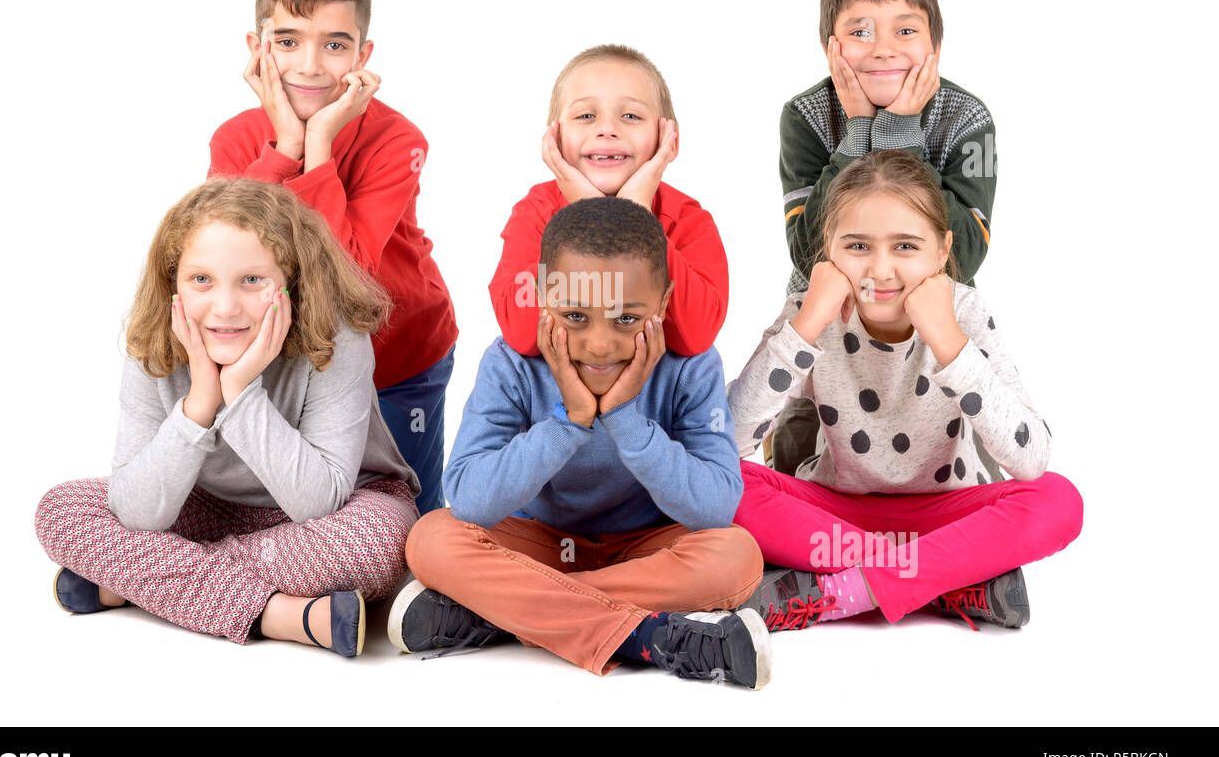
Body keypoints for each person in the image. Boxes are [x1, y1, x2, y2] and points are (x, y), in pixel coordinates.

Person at [392, 197, 771, 688]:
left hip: (646, 549)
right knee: (431, 539)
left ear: (662, 304)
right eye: (574, 315)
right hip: (540, 542)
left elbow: (715, 506)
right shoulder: (511, 363)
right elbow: (467, 497)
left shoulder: (691, 366)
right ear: (542, 297)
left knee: (736, 556)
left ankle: (499, 613)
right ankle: (644, 636)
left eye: (626, 319)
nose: (599, 344)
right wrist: (567, 423)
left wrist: (625, 419)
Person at [35, 179, 420, 657]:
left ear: (292, 282)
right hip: (208, 508)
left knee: (381, 543)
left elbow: (319, 502)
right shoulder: (153, 343)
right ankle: (281, 615)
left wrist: (239, 391)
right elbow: (137, 512)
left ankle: (135, 584)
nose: (225, 308)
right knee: (62, 510)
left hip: (337, 508)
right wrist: (200, 402)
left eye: (252, 280)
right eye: (201, 280)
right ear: (173, 283)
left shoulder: (336, 338)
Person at [727, 150, 1082, 632]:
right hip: (837, 517)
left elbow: (1031, 459)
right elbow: (729, 444)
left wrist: (950, 342)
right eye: (857, 246)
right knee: (716, 484)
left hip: (946, 517)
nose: (881, 269)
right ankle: (947, 580)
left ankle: (841, 592)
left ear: (942, 251)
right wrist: (806, 325)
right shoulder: (808, 311)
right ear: (828, 248)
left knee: (1059, 500)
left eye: (905, 247)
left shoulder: (964, 312)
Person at [208, 0, 456, 514]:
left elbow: (349, 276)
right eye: (288, 41)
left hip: (401, 357)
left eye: (335, 45)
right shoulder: (234, 141)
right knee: (307, 505)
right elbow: (226, 256)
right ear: (257, 48)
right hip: (292, 362)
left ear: (363, 56)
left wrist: (317, 144)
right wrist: (284, 148)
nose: (310, 65)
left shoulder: (399, 140)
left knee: (410, 512)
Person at [773, 0, 999, 479]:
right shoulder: (804, 117)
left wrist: (899, 134)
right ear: (830, 47)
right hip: (828, 318)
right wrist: (855, 135)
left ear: (935, 45)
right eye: (860, 31)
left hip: (930, 319)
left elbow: (964, 254)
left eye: (905, 30)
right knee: (794, 442)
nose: (882, 49)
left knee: (975, 441)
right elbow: (808, 255)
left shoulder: (969, 118)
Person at [489, 44, 729, 358]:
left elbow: (696, 337)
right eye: (586, 115)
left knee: (704, 364)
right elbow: (521, 336)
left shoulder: (688, 220)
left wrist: (635, 219)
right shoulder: (535, 211)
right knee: (499, 357)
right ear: (555, 138)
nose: (607, 129)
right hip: (557, 381)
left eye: (630, 115)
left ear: (668, 140)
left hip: (651, 383)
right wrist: (589, 215)